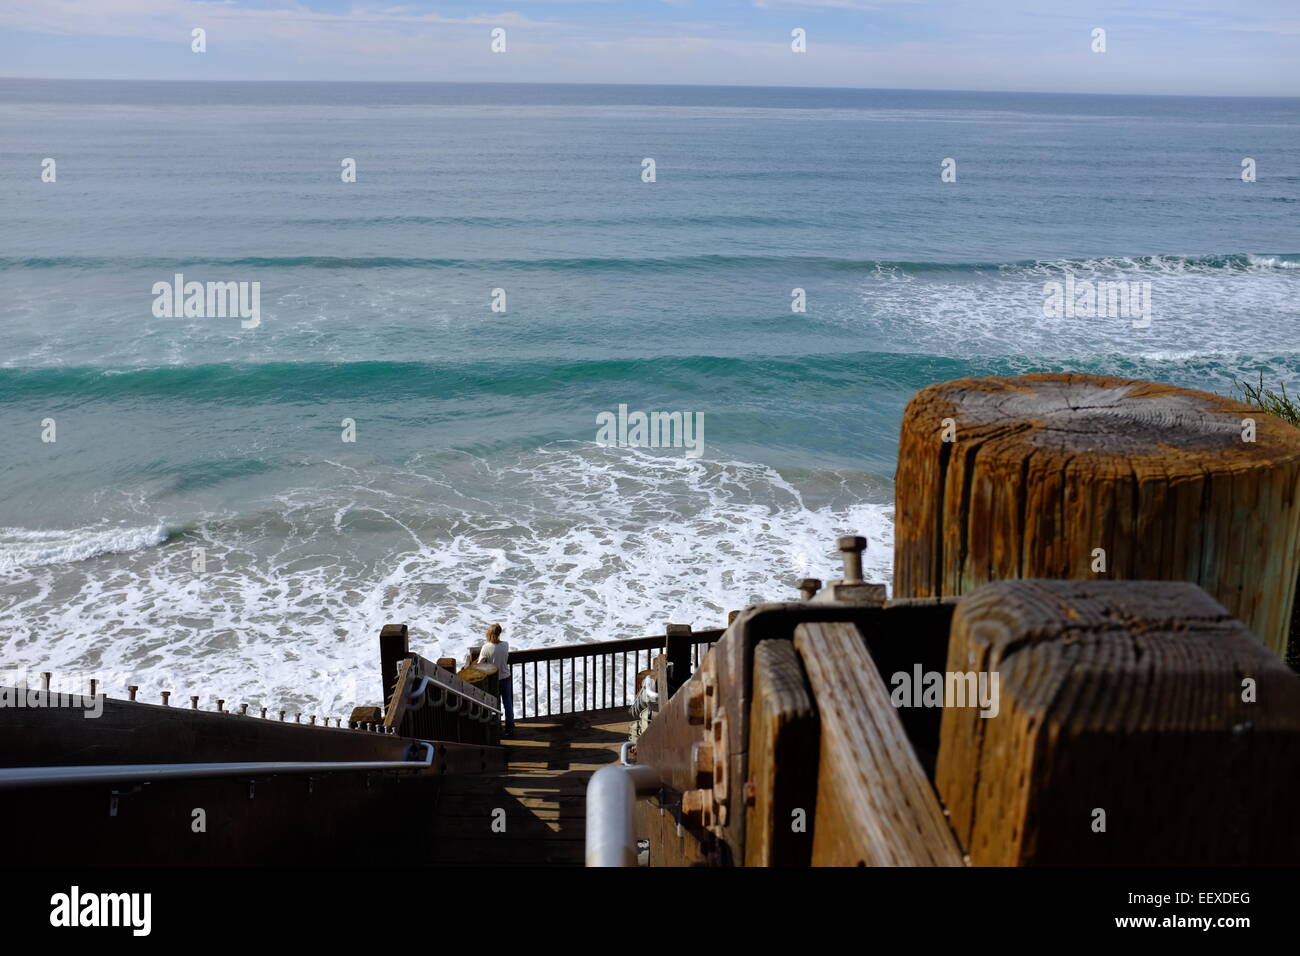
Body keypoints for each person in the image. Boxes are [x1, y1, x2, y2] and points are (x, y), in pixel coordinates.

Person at [477, 623, 514, 734]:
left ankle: (497, 727)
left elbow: (480, 664)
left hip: (494, 680)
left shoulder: (486, 647)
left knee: (495, 704)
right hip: (506, 677)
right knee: (508, 702)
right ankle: (510, 727)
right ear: (499, 633)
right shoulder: (505, 645)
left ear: (489, 633)